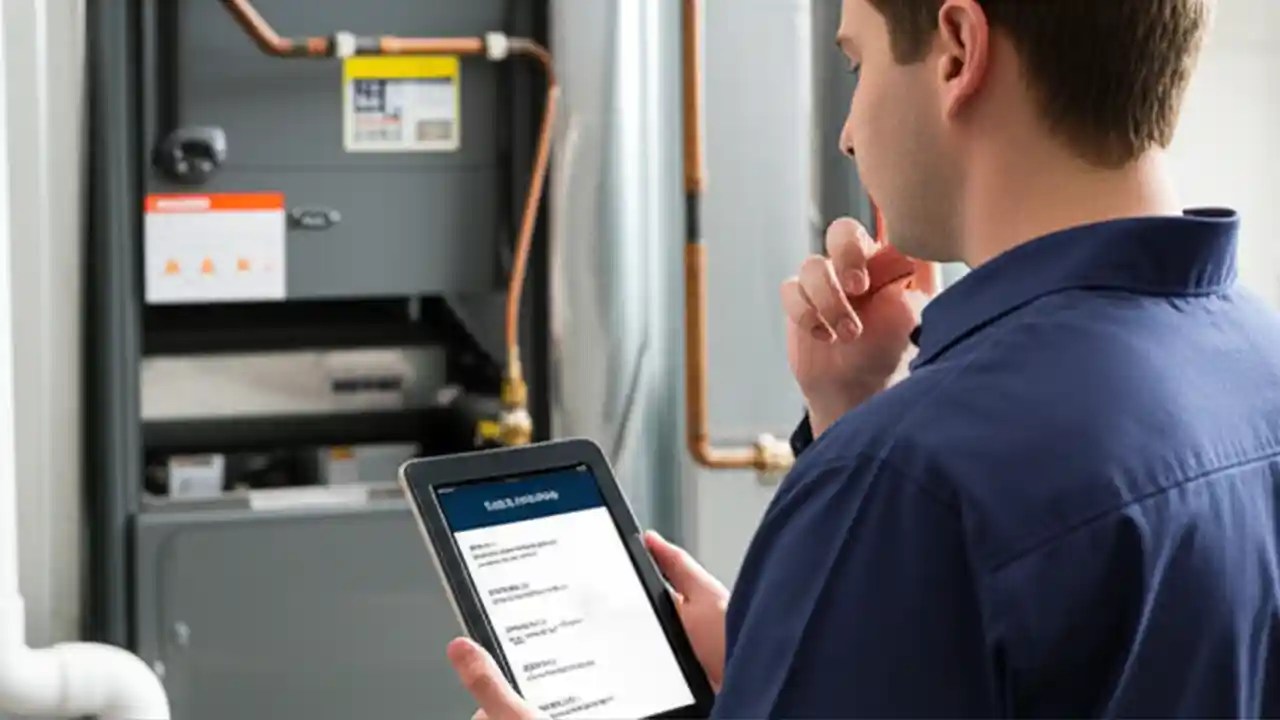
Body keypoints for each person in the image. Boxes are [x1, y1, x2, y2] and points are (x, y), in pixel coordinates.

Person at [448, 0, 1280, 716]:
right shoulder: (1260, 362)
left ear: (957, 49)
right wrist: (801, 650)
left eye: (857, 64)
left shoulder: (910, 480)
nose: (847, 134)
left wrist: (867, 461)